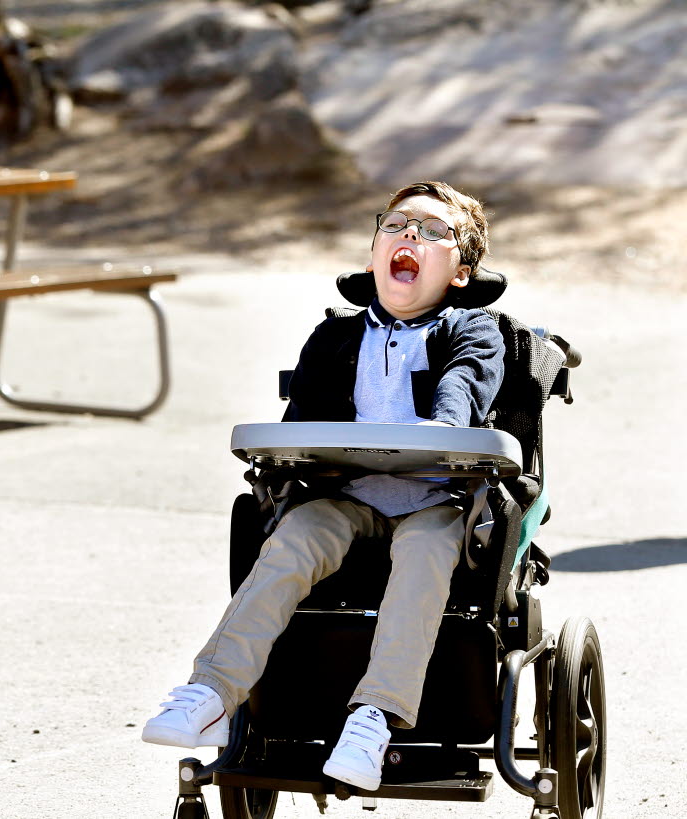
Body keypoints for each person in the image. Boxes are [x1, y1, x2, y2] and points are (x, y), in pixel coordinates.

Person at [141, 181, 505, 792]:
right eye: (396, 226)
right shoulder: (335, 336)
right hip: (347, 494)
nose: (410, 235)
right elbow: (301, 423)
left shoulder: (471, 331)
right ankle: (212, 692)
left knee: (423, 555)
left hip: (437, 500)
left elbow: (466, 385)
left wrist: (443, 424)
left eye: (433, 231)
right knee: (291, 539)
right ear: (373, 257)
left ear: (461, 273)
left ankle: (374, 717)